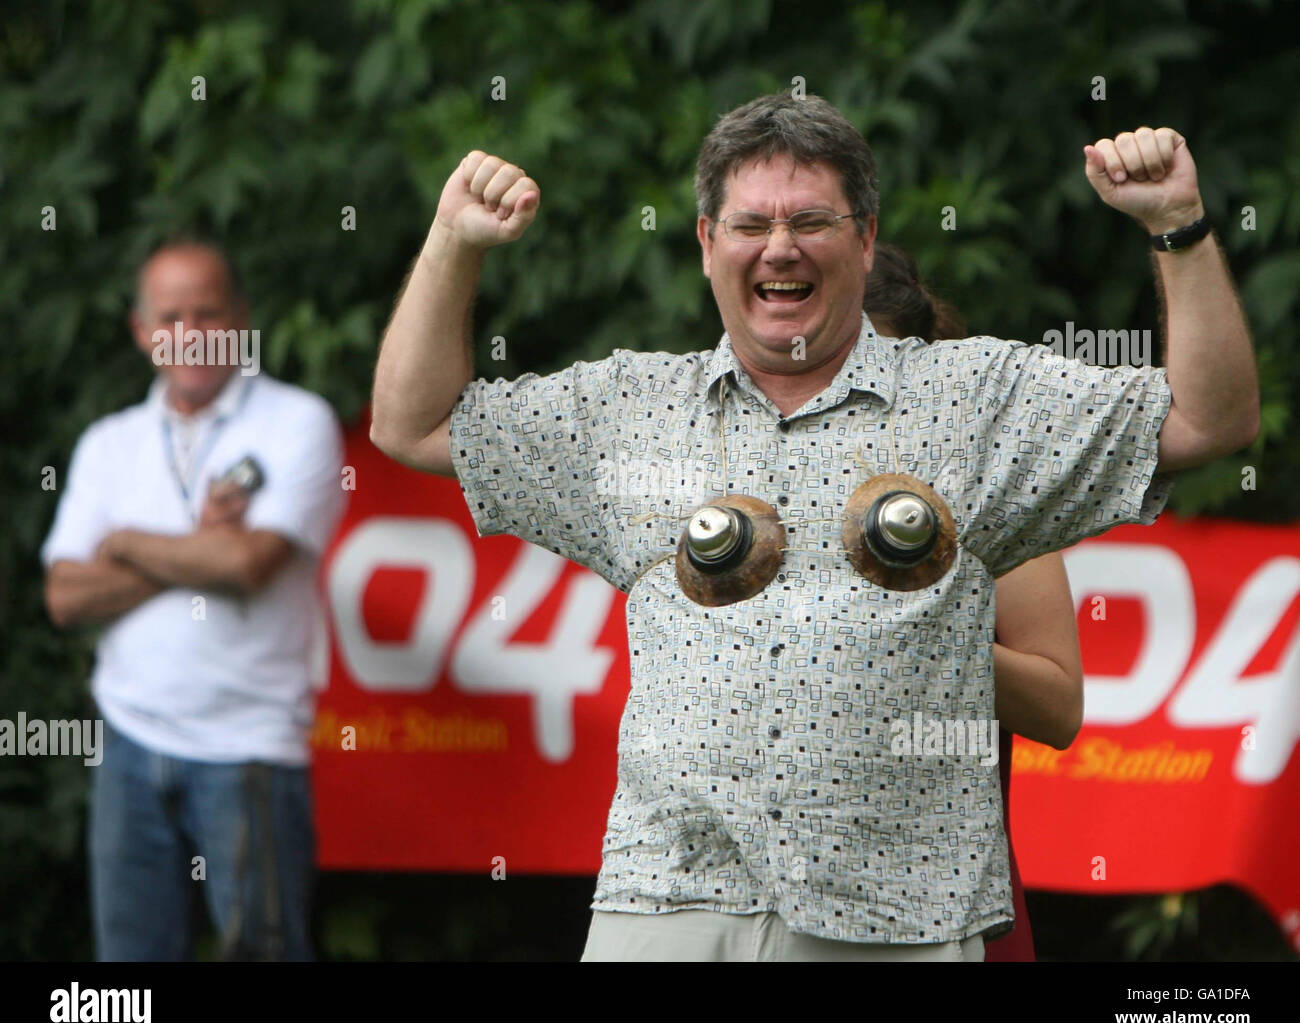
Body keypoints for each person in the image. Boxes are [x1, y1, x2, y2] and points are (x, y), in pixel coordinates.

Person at [371, 93, 1257, 962]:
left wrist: (1176, 225)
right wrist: (453, 240)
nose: (780, 247)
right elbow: (412, 425)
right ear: (707, 243)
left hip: (899, 912)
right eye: (750, 224)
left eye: (810, 221)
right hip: (669, 902)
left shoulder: (976, 399)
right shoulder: (625, 408)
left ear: (866, 240)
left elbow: (1207, 422)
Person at [42, 240, 346, 961]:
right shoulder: (106, 443)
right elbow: (63, 596)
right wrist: (193, 551)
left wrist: (122, 540)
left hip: (249, 750)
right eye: (169, 316)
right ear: (142, 331)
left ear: (241, 318)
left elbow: (247, 564)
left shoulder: (297, 421)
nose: (190, 332)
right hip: (128, 740)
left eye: (207, 312)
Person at [864, 242, 1086, 962]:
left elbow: (1057, 708)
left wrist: (924, 631)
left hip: (955, 910)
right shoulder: (740, 495)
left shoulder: (985, 489)